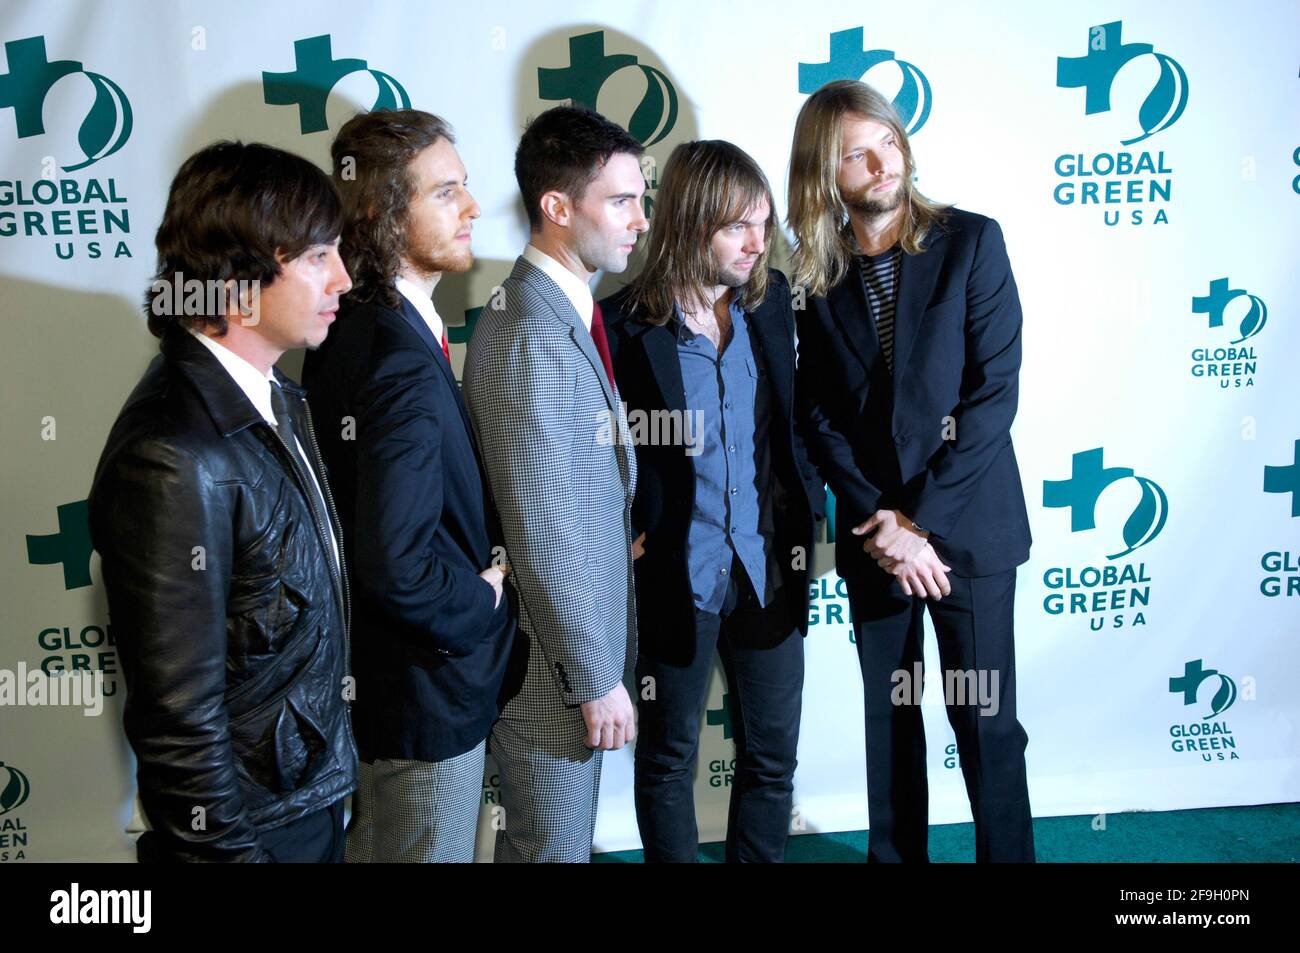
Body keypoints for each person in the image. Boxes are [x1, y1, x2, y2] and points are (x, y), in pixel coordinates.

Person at [787, 79, 1036, 862]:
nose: (880, 162)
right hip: (877, 539)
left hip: (968, 530)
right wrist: (883, 525)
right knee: (890, 723)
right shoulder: (814, 276)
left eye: (886, 141)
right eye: (854, 153)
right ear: (824, 173)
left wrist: (920, 520)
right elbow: (818, 416)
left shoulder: (972, 240)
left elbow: (993, 395)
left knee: (985, 723)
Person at [88, 141, 356, 862]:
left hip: (307, 803)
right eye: (316, 257)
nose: (343, 277)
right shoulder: (173, 455)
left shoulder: (277, 399)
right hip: (250, 837)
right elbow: (179, 724)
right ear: (239, 282)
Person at [302, 109, 525, 863]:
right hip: (422, 701)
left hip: (386, 689)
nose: (472, 208)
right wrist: (486, 599)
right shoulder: (393, 354)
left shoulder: (355, 324)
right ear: (383, 214)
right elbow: (396, 564)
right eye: (446, 193)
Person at [600, 140, 822, 862]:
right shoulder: (624, 324)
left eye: (764, 223)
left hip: (767, 570)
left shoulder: (772, 305)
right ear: (691, 224)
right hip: (673, 575)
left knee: (772, 760)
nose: (761, 244)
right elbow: (588, 447)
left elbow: (797, 423)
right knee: (667, 761)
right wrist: (621, 532)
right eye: (739, 227)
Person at [463, 105, 645, 862]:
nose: (640, 219)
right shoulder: (531, 331)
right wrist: (593, 676)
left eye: (642, 197)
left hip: (572, 661)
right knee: (553, 853)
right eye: (621, 200)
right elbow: (537, 527)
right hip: (552, 677)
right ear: (558, 207)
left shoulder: (559, 312)